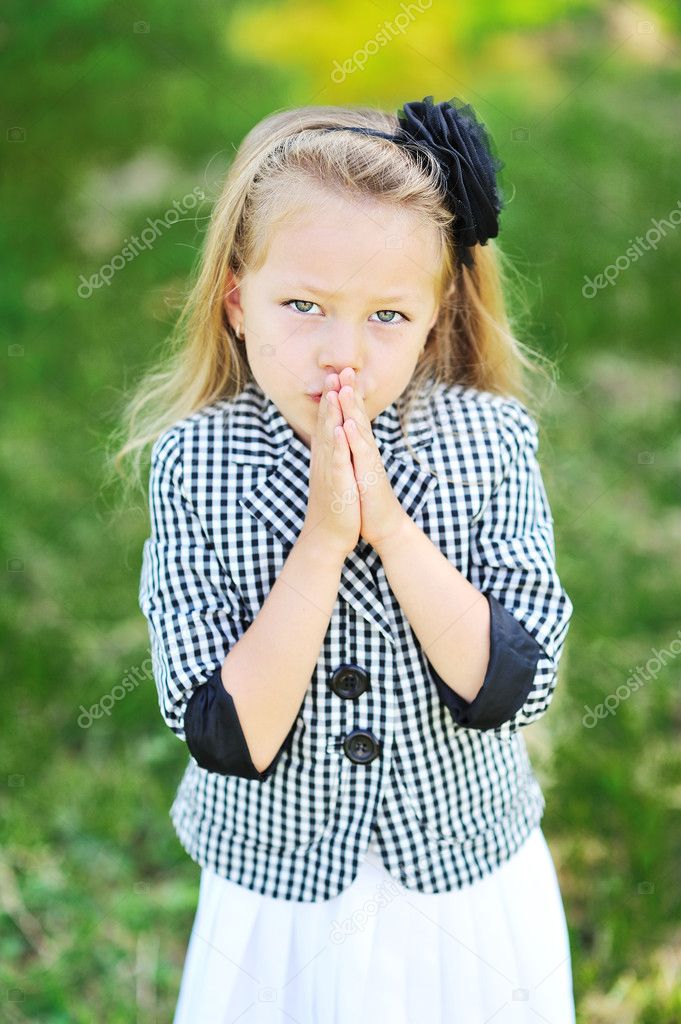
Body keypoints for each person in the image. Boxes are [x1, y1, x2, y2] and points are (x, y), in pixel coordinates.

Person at [127, 94, 576, 1022]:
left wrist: (391, 531)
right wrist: (323, 540)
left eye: (384, 315)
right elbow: (224, 733)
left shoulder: (488, 444)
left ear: (434, 313)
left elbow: (510, 687)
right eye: (303, 306)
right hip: (281, 893)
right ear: (237, 302)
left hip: (461, 879)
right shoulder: (198, 467)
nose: (342, 355)